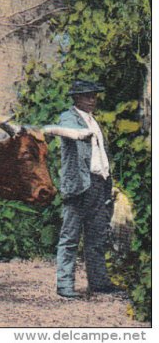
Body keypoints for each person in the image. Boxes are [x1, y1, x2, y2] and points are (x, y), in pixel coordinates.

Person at [55, 79, 121, 298]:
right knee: (70, 236)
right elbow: (67, 131)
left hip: (99, 184)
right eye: (86, 96)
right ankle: (64, 285)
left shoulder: (93, 121)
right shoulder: (69, 118)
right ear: (76, 98)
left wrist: (108, 180)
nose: (91, 100)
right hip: (79, 186)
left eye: (93, 96)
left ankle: (99, 282)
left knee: (97, 236)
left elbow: (100, 154)